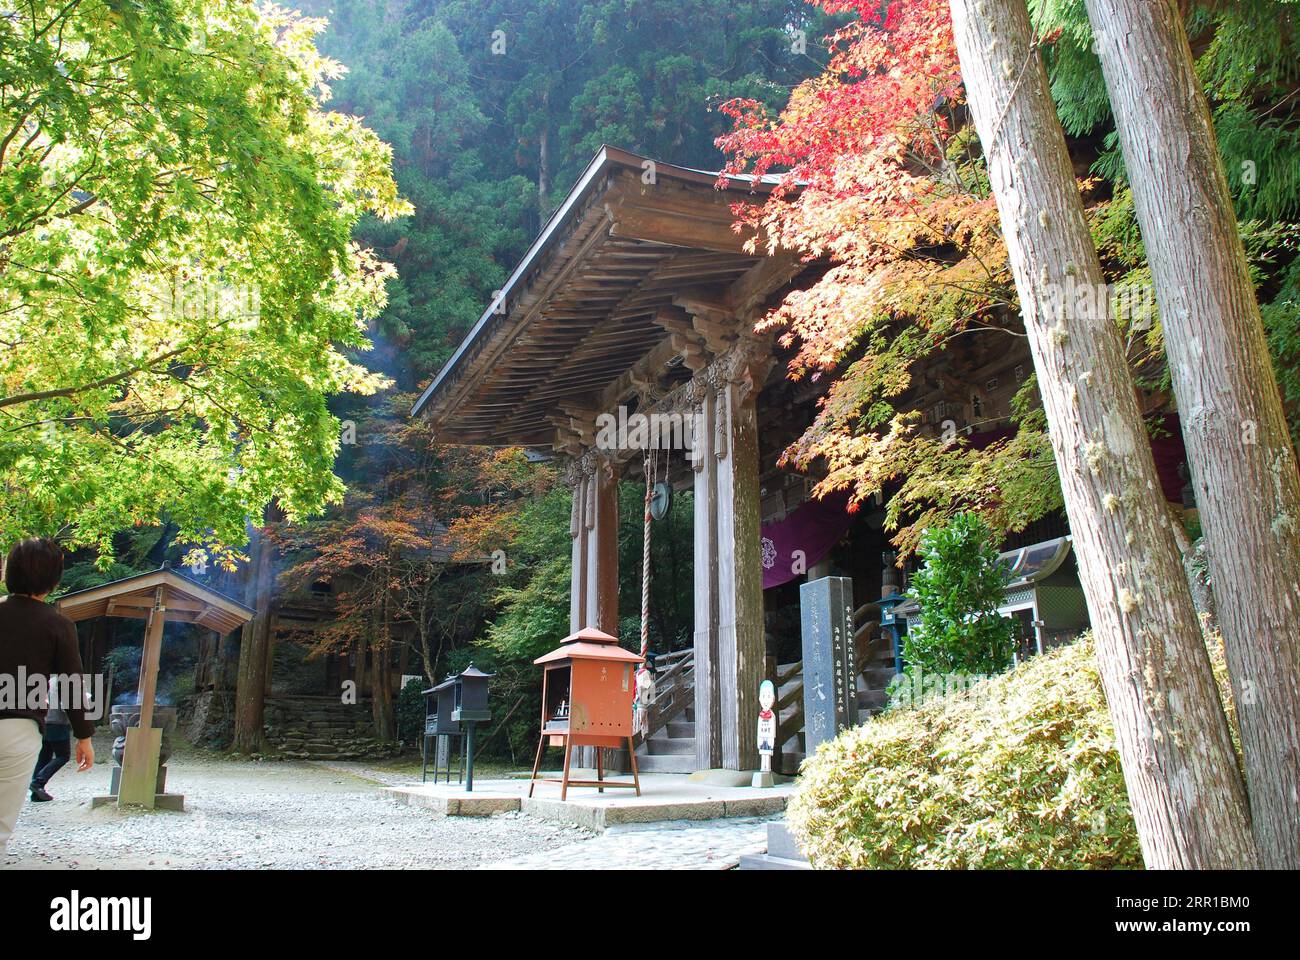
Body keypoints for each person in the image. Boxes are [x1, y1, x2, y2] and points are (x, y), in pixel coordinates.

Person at [0, 538, 94, 851]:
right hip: (17, 727)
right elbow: (71, 683)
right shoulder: (57, 624)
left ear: (8, 572)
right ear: (53, 581)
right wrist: (84, 737)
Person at [30, 678, 73, 801]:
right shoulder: (65, 680)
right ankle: (38, 783)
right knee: (63, 756)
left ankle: (36, 793)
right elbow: (67, 706)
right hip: (58, 722)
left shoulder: (47, 679)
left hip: (43, 721)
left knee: (44, 756)